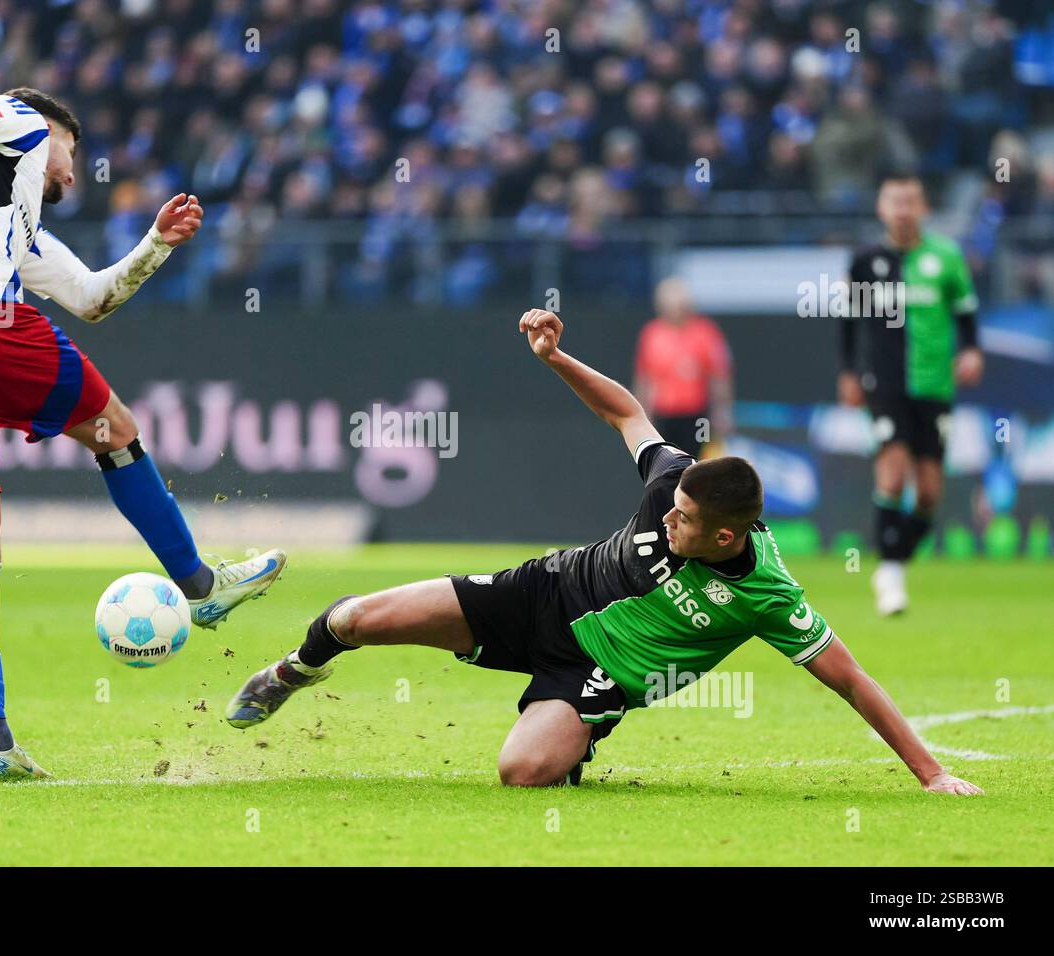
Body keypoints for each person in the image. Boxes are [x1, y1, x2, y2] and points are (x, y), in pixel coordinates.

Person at [224, 309, 983, 797]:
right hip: (543, 593)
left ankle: (576, 741)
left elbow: (851, 680)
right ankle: (289, 672)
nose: (668, 518)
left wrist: (933, 775)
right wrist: (557, 358)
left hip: (596, 673)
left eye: (684, 520)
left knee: (520, 774)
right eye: (673, 507)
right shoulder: (674, 477)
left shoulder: (767, 595)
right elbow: (627, 409)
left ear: (728, 537)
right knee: (356, 618)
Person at [0, 87, 285, 780]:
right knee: (118, 430)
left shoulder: (1, 217)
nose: (74, 170)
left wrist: (155, 245)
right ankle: (198, 582)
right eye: (76, 152)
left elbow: (92, 298)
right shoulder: (25, 130)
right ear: (54, 134)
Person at [838, 173, 983, 615]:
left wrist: (972, 351)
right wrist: (848, 372)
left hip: (935, 384)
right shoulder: (865, 260)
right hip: (884, 382)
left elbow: (965, 312)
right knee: (893, 472)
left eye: (910, 202)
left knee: (929, 494)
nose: (902, 210)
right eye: (894, 202)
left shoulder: (946, 257)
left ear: (923, 209)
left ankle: (894, 561)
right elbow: (848, 320)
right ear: (882, 209)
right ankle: (892, 573)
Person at [634, 277, 734, 457]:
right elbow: (645, 379)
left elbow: (719, 375)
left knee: (696, 464)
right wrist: (643, 416)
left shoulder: (705, 332)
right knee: (665, 466)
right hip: (663, 414)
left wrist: (722, 411)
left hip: (696, 416)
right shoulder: (652, 334)